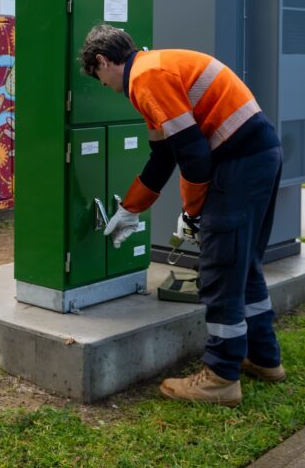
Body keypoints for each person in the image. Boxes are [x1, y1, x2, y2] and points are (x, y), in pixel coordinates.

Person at [80, 24, 285, 407]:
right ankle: (263, 357)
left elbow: (193, 155)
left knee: (220, 268)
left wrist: (193, 212)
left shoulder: (146, 79)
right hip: (256, 156)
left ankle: (222, 377)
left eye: (100, 79)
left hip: (239, 163)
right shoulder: (154, 67)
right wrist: (129, 209)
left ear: (103, 62)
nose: (105, 87)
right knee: (243, 264)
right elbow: (163, 157)